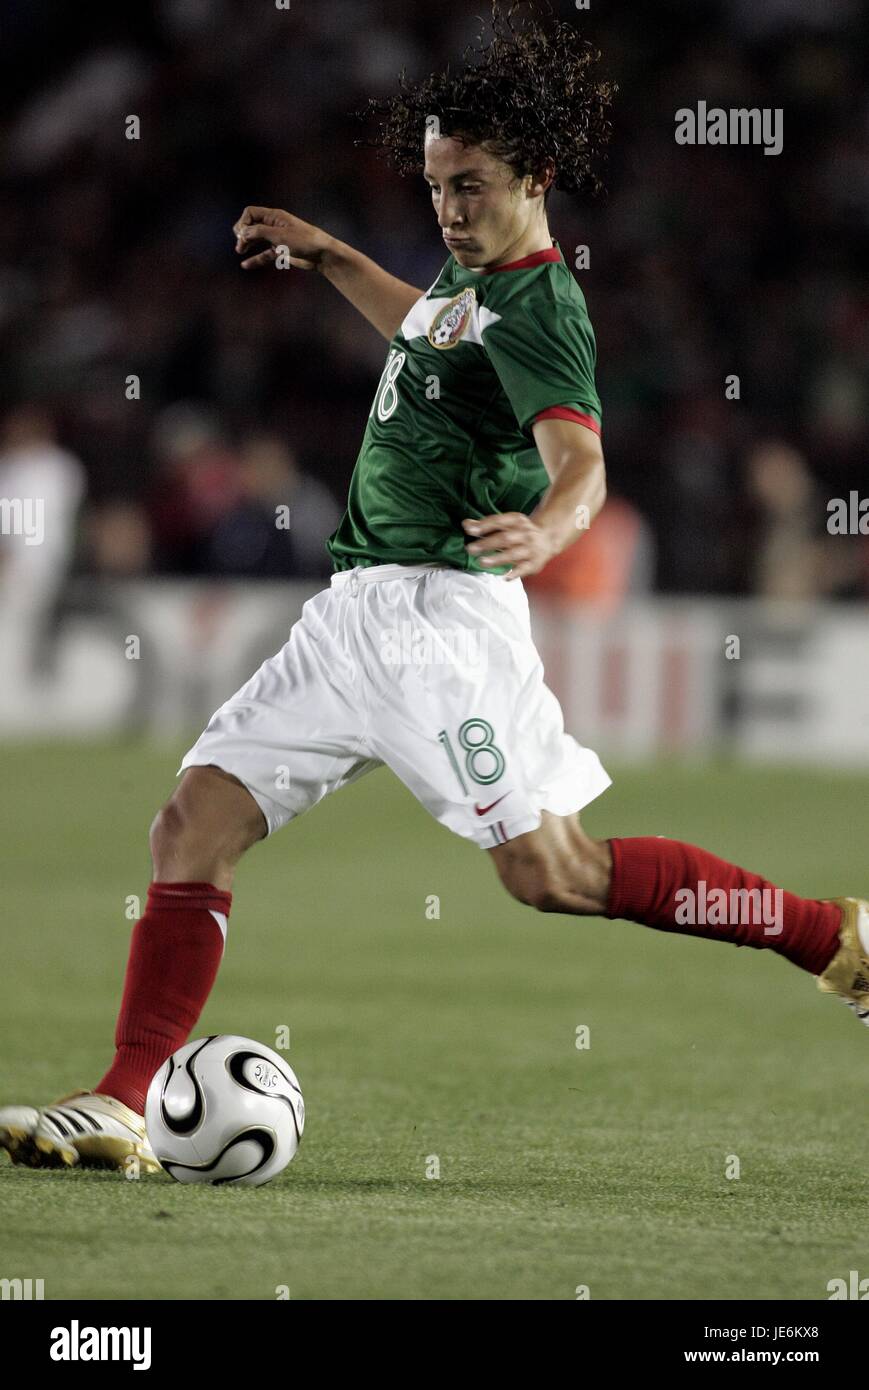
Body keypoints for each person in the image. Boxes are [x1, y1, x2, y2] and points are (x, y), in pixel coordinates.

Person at [1, 3, 863, 1173]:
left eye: (472, 187)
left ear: (535, 179)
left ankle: (828, 936)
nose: (449, 210)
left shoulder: (539, 307)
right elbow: (422, 327)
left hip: (437, 625)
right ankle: (119, 1100)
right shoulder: (469, 290)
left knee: (552, 872)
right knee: (190, 824)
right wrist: (332, 254)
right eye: (435, 186)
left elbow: (583, 462)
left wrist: (550, 530)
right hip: (350, 616)